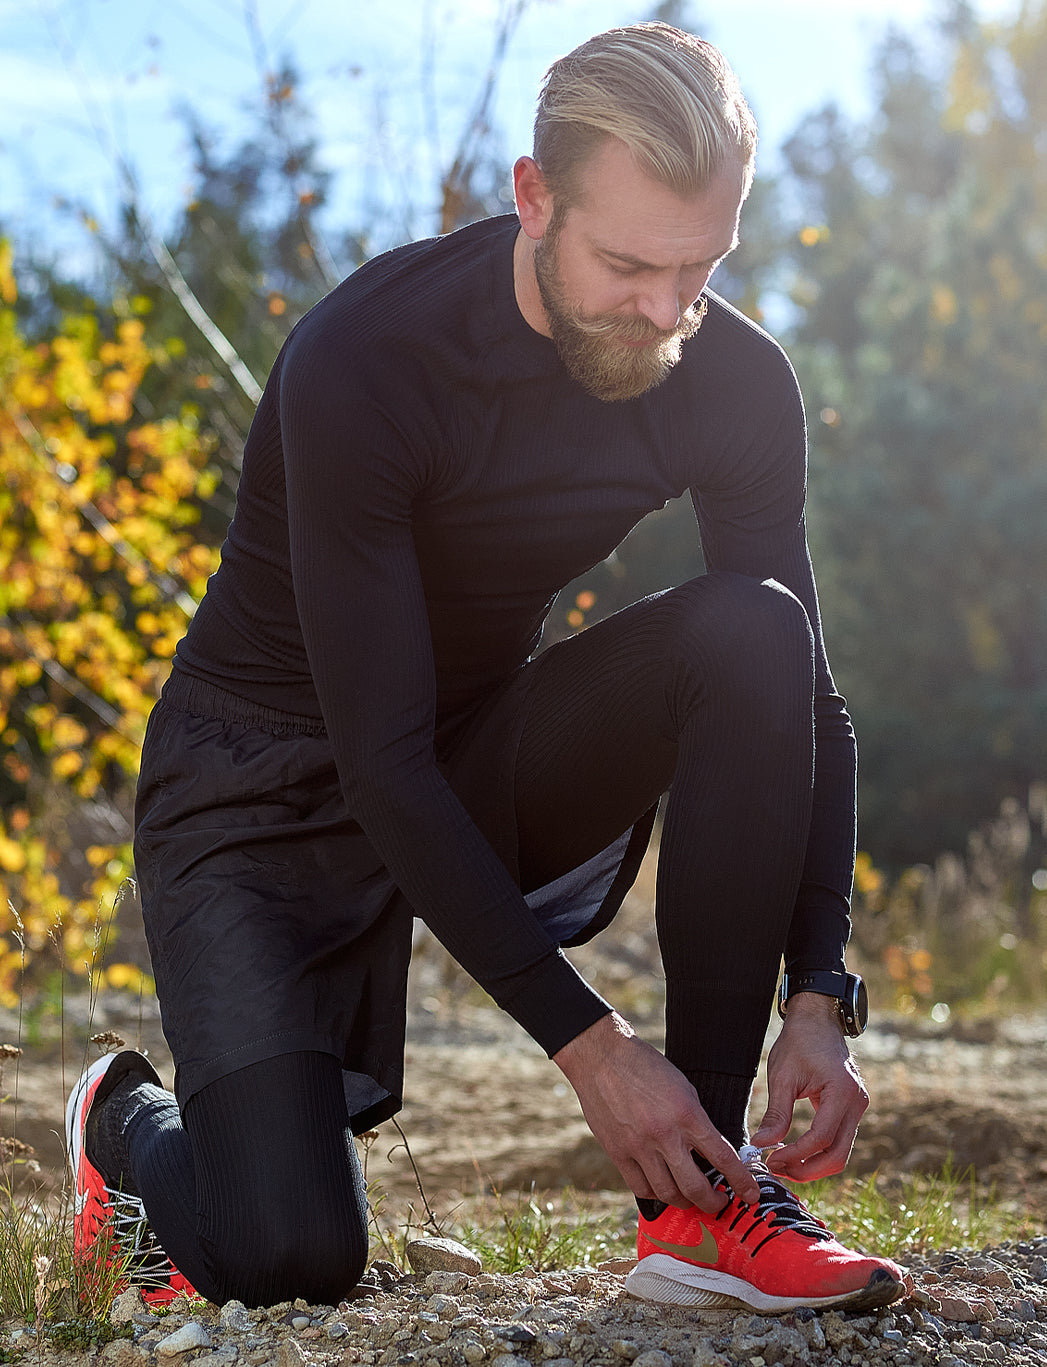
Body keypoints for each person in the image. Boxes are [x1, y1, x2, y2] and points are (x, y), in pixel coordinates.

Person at [67, 22, 904, 1315]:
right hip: (255, 799)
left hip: (465, 757)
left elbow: (806, 697)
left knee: (755, 628)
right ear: (532, 198)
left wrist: (819, 994)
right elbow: (375, 757)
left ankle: (703, 1210)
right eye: (628, 264)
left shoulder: (733, 379)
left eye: (703, 265)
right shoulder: (364, 362)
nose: (667, 310)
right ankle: (125, 1129)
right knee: (289, 1259)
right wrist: (594, 1049)